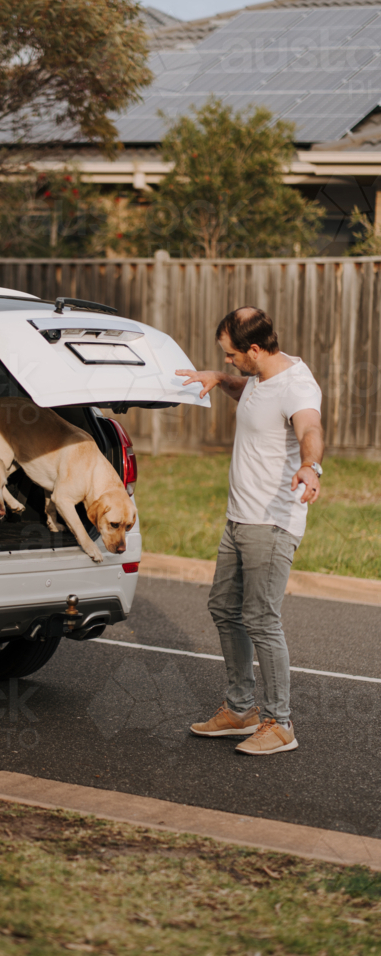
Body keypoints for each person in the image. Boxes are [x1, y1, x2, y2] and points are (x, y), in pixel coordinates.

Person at [177, 306, 323, 756]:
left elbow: (310, 427)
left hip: (272, 521)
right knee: (224, 607)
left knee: (261, 618)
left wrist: (310, 466)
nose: (228, 361)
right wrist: (221, 381)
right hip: (239, 518)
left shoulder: (298, 385)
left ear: (255, 349)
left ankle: (280, 723)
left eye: (231, 357)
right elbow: (254, 394)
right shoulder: (261, 377)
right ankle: (241, 709)